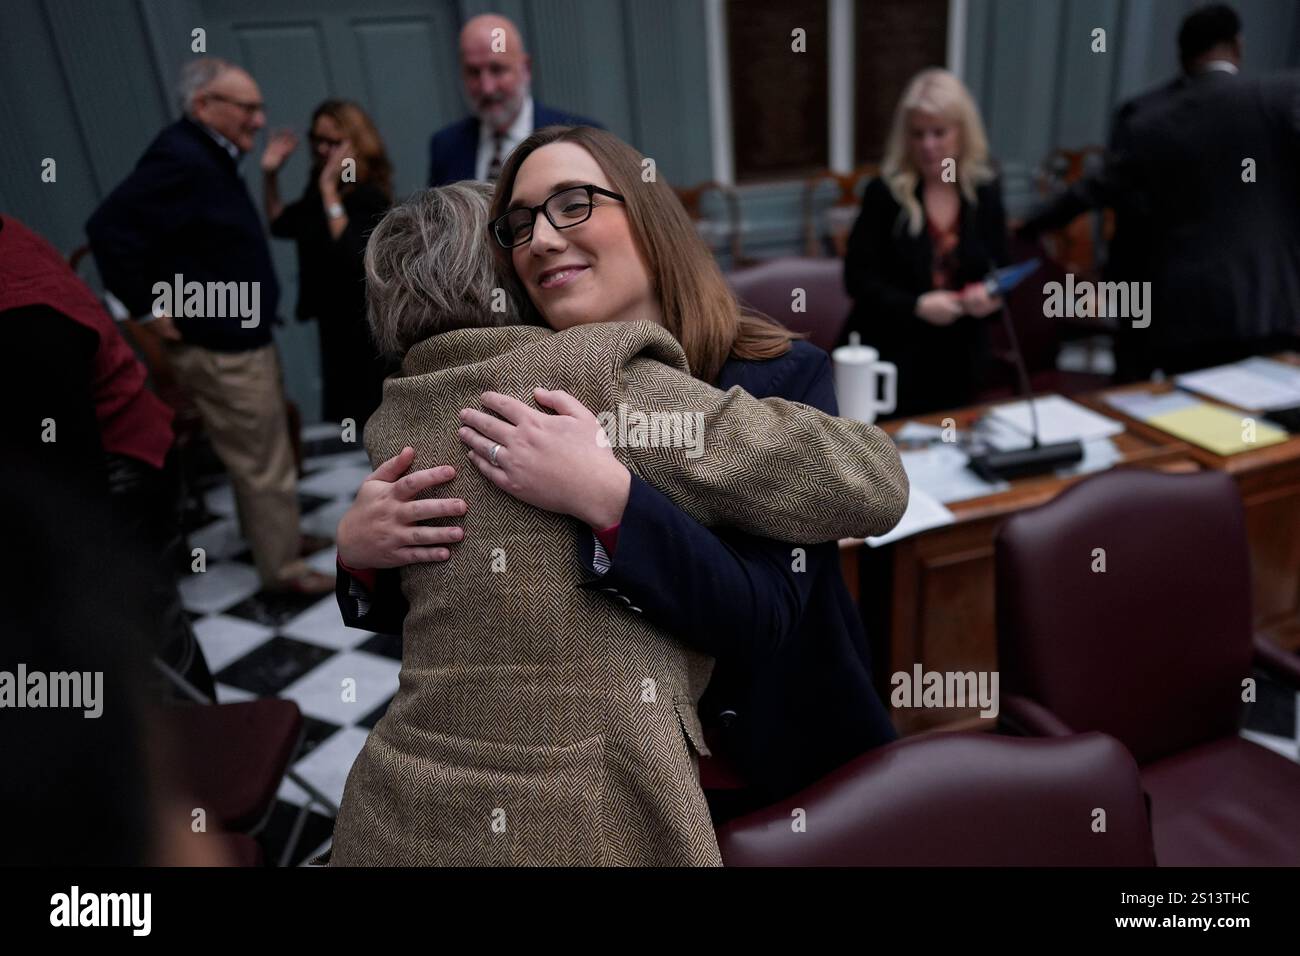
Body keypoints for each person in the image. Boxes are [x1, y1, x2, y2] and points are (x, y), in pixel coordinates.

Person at [328, 179, 906, 866]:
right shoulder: (591, 371)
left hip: (409, 808)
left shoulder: (396, 417)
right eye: (522, 226)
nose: (546, 239)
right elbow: (468, 601)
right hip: (607, 806)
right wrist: (358, 553)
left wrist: (610, 497)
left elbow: (767, 606)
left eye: (575, 209)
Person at [86, 57, 333, 595]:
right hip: (221, 345)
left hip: (240, 336)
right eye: (247, 107)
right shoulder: (181, 156)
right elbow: (108, 228)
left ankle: (276, 540)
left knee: (260, 449)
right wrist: (149, 309)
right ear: (204, 106)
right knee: (262, 459)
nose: (259, 118)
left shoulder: (210, 154)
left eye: (259, 107)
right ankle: (283, 569)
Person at [0, 214, 215, 702]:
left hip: (112, 477)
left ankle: (198, 764)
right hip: (97, 465)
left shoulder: (19, 307)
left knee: (139, 647)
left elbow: (70, 474)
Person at [1026, 4, 1300, 374]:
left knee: (1176, 418)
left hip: (1172, 314)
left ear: (1181, 55)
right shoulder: (1280, 100)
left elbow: (1101, 187)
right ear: (1238, 45)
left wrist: (1029, 225)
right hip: (1263, 304)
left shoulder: (1146, 116)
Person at [841, 68, 1009, 418]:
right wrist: (916, 304)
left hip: (959, 361)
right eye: (918, 134)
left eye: (939, 133)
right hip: (894, 358)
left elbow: (1001, 268)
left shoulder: (983, 192)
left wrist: (990, 295)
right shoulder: (885, 194)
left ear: (962, 133)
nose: (928, 145)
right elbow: (856, 279)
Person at [263, 99, 394, 429]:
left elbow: (354, 253)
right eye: (316, 140)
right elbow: (281, 224)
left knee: (371, 408)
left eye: (332, 142)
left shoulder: (368, 192)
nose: (323, 150)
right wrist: (270, 175)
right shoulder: (317, 184)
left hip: (363, 320)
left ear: (355, 142)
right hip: (332, 318)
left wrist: (329, 193)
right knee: (346, 413)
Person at [427, 13, 600, 186]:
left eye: (497, 70)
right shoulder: (446, 146)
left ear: (526, 68)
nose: (487, 88)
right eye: (473, 72)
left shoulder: (578, 136)